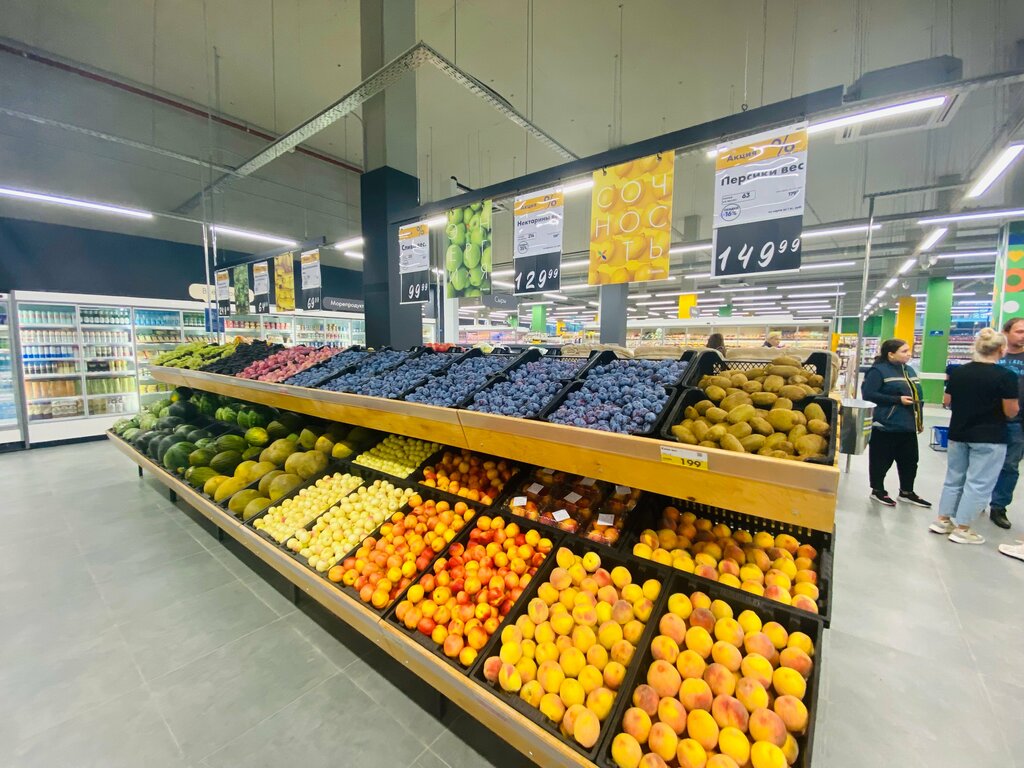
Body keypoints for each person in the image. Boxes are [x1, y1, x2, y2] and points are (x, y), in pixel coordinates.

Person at [930, 328, 1019, 544]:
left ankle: (943, 520)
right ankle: (963, 528)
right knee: (979, 483)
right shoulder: (1006, 376)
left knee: (954, 478)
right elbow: (1011, 411)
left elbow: (947, 401)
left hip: (958, 432)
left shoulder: (959, 372)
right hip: (990, 436)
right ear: (1001, 349)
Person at [861, 338, 930, 507]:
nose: (909, 354)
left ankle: (907, 491)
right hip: (885, 425)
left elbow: (916, 395)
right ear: (891, 354)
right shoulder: (878, 371)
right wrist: (897, 400)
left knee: (910, 460)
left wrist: (918, 420)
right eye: (904, 351)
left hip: (908, 425)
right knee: (881, 460)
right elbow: (868, 394)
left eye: (909, 351)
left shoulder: (909, 370)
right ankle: (878, 490)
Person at [988, 316, 1024, 529]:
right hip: (989, 420)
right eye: (1019, 331)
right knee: (982, 463)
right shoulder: (994, 356)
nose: (1023, 336)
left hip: (1018, 422)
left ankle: (999, 506)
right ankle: (976, 500)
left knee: (1010, 466)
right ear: (1006, 332)